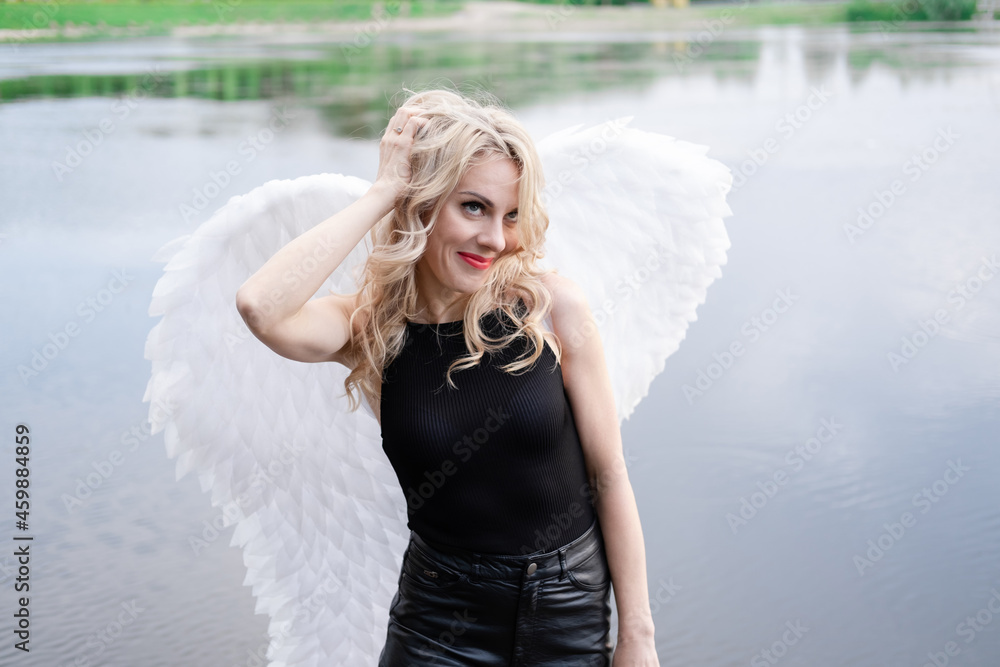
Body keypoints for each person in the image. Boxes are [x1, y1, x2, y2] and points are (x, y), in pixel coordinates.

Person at [234, 88, 660, 666]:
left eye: (511, 215)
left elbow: (608, 473)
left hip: (569, 607)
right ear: (424, 203)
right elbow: (263, 306)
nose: (495, 239)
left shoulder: (548, 309)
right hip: (440, 620)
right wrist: (384, 190)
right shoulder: (369, 327)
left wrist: (638, 637)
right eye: (474, 207)